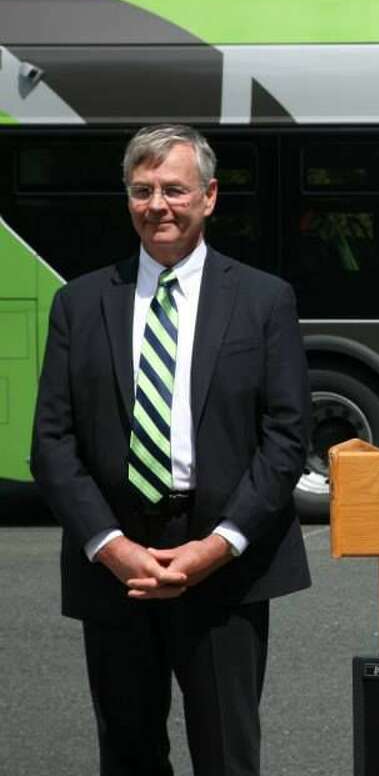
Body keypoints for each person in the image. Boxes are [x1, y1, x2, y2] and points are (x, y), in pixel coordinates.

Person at [31, 124, 311, 776]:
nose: (158, 204)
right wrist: (112, 547)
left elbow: (287, 437)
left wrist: (218, 546)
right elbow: (52, 442)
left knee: (227, 755)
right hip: (115, 569)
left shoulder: (264, 300)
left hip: (225, 565)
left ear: (209, 197)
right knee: (127, 754)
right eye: (142, 190)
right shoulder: (79, 303)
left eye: (174, 189)